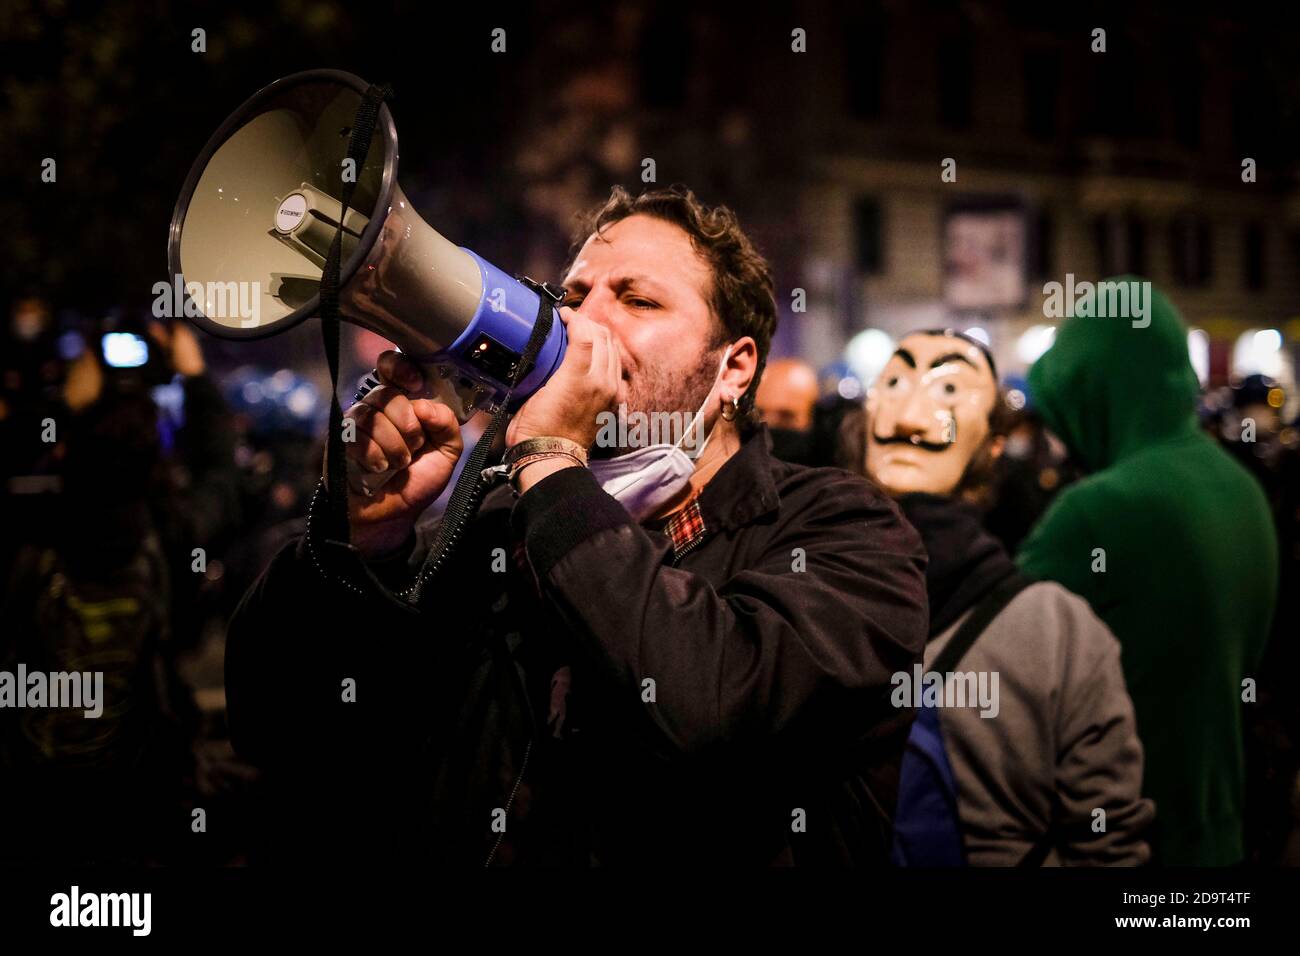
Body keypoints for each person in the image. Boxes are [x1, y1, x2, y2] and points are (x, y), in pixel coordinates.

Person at [225, 185, 929, 866]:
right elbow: (277, 725)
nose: (582, 321)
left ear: (733, 369)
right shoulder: (502, 521)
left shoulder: (847, 530)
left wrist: (554, 464)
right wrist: (358, 545)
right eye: (572, 295)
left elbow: (714, 710)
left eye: (637, 299)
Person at [843, 328, 1153, 865]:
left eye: (947, 391)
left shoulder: (1058, 631)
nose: (912, 414)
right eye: (894, 381)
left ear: (993, 444)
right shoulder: (795, 582)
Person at [1017, 277, 1278, 865]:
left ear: (1095, 394)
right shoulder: (1241, 487)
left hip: (1123, 843)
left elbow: (1001, 662)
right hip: (1222, 828)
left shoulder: (1099, 509)